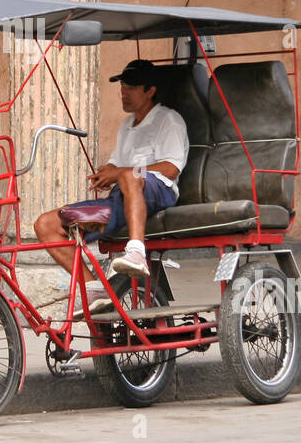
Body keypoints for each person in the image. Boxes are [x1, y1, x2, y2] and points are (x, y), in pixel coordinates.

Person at [32, 59, 190, 311]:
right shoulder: (127, 125)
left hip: (158, 192)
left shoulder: (168, 120)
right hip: (120, 200)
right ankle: (94, 289)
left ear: (150, 91)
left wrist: (120, 173)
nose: (123, 93)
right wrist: (106, 175)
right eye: (122, 86)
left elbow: (171, 169)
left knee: (129, 177)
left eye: (131, 87)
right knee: (46, 224)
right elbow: (115, 168)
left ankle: (136, 252)